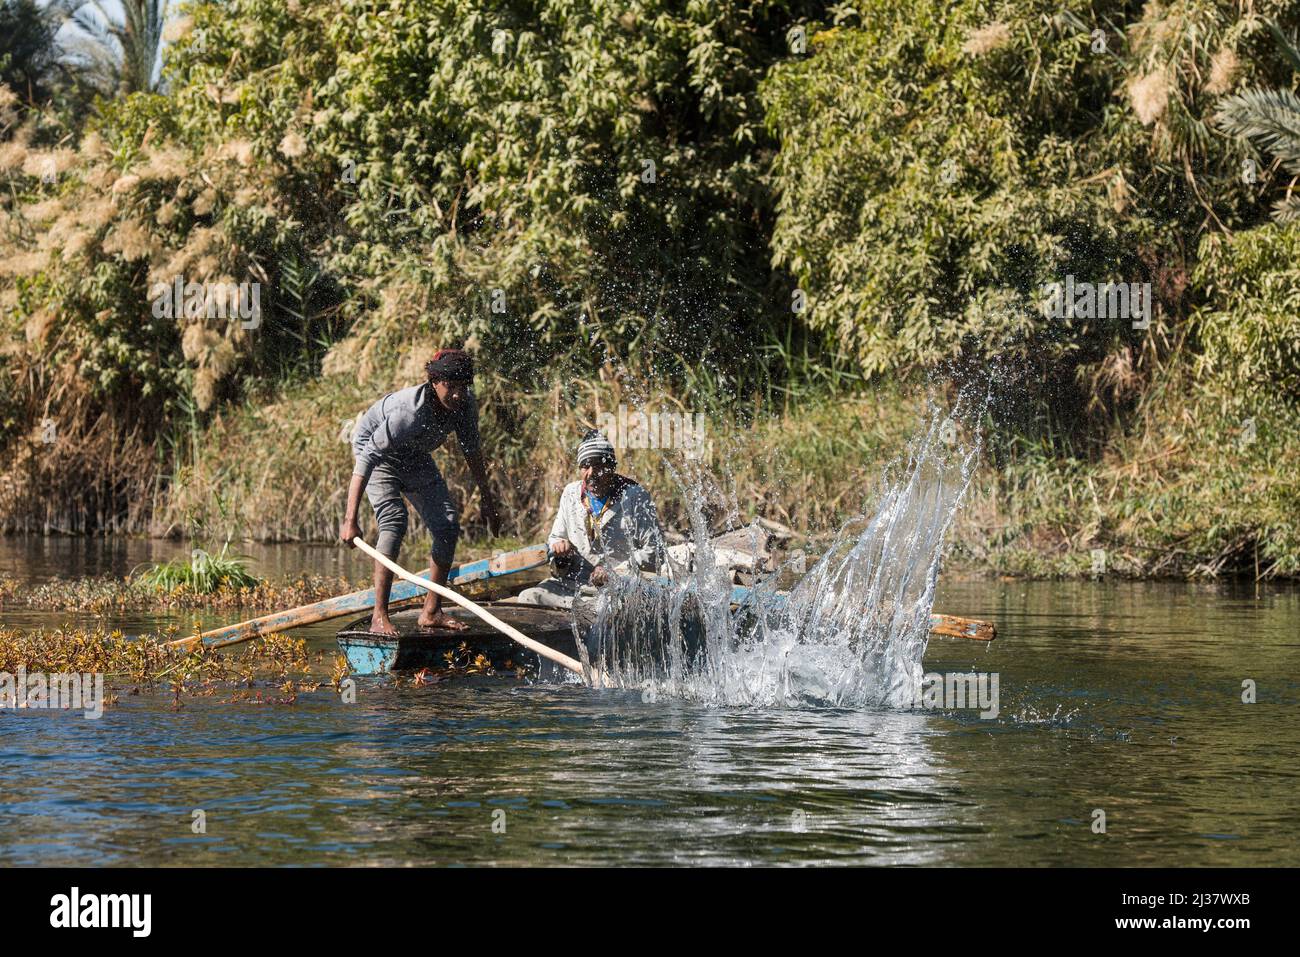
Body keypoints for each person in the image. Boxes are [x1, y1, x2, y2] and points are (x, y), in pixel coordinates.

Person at [339, 348, 499, 635]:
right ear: (434, 381)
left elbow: (472, 451)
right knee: (394, 521)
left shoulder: (463, 407)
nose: (457, 395)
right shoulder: (409, 413)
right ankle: (378, 616)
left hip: (414, 455)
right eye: (451, 387)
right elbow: (367, 458)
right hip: (378, 454)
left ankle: (432, 610)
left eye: (464, 388)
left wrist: (487, 499)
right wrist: (350, 520)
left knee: (447, 524)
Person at [517, 430, 665, 610]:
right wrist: (561, 551)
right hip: (574, 586)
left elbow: (655, 551)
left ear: (612, 468)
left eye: (599, 466)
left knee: (608, 610)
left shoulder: (635, 496)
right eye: (585, 466)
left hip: (617, 587)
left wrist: (615, 571)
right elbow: (555, 538)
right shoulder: (571, 493)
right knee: (529, 597)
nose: (592, 473)